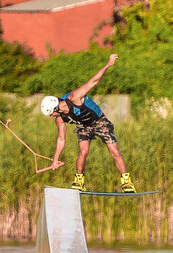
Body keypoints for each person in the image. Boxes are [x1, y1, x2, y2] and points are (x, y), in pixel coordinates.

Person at [39, 53, 136, 193]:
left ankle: (126, 182)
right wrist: (55, 159)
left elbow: (93, 82)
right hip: (83, 126)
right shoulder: (59, 118)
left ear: (55, 107)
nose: (52, 117)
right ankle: (79, 181)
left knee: (114, 151)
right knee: (83, 151)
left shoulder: (74, 97)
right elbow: (61, 138)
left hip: (99, 122)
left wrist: (108, 64)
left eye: (52, 113)